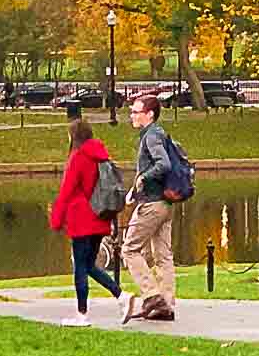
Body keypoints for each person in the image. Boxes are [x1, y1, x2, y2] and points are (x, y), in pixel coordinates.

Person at [48, 117, 124, 326]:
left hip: (81, 219)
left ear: (73, 137)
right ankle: (122, 296)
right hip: (100, 216)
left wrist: (56, 219)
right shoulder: (101, 155)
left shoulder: (78, 157)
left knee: (80, 267)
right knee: (90, 265)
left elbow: (66, 191)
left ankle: (82, 314)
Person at [120, 94, 176, 322]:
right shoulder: (159, 133)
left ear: (149, 114)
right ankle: (166, 306)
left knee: (129, 250)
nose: (132, 116)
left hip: (152, 204)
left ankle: (152, 296)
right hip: (166, 203)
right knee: (163, 255)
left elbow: (163, 164)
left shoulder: (151, 136)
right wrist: (135, 188)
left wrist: (143, 178)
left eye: (136, 112)